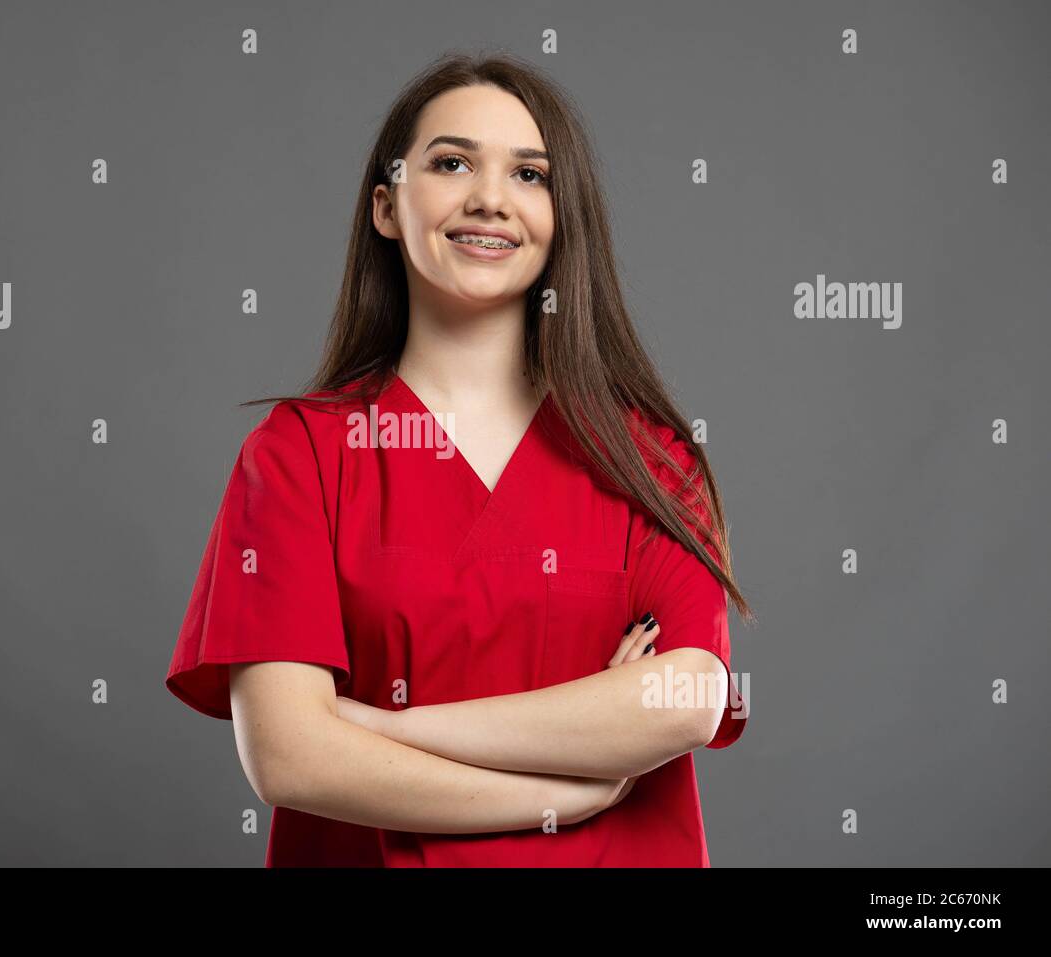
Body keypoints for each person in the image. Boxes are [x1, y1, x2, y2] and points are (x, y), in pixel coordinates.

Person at [165, 51, 751, 866]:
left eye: (531, 174)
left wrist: (377, 727)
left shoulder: (649, 459)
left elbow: (688, 698)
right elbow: (291, 754)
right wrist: (563, 790)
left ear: (561, 217)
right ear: (386, 206)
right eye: (450, 163)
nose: (490, 198)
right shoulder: (299, 454)